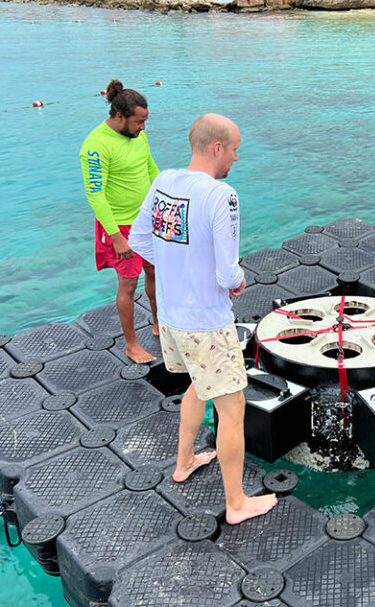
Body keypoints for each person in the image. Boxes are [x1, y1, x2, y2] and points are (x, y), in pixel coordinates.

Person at [129, 113, 277, 525]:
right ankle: (237, 503)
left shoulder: (163, 182)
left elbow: (140, 239)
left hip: (172, 318)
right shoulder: (220, 195)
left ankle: (184, 461)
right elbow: (227, 273)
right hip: (205, 321)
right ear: (217, 148)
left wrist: (178, 267)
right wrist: (237, 280)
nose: (235, 158)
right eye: (234, 150)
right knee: (232, 410)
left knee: (197, 382)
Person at [80, 79, 160, 364]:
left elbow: (151, 170)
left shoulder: (139, 136)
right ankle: (131, 344)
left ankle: (158, 323)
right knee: (128, 284)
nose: (143, 127)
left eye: (144, 122)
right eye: (138, 122)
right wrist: (115, 236)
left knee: (155, 272)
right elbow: (95, 194)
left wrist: (163, 206)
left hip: (147, 218)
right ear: (119, 116)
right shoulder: (95, 146)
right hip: (120, 225)